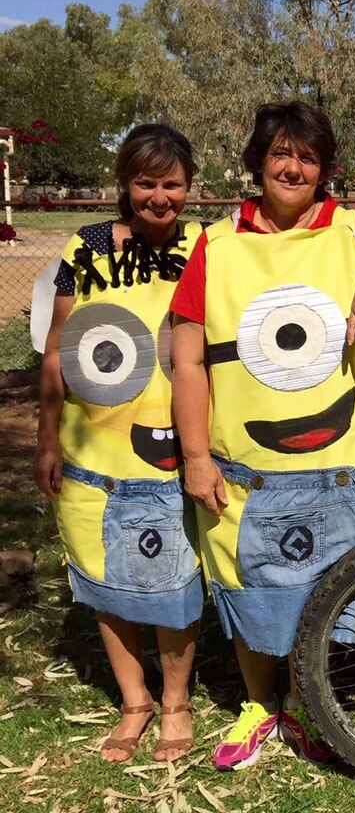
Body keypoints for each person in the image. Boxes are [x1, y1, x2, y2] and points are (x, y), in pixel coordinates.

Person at [170, 100, 355, 771]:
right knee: (248, 583)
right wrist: (193, 457)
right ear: (257, 162)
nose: (293, 166)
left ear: (323, 169)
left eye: (307, 157)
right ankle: (256, 704)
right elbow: (187, 357)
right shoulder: (216, 246)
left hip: (335, 464)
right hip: (241, 464)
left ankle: (305, 701)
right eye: (281, 153)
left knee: (325, 590)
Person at [34, 124, 203, 763]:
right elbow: (57, 350)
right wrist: (49, 438)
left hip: (173, 444)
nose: (159, 197)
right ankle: (135, 701)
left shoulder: (207, 246)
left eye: (172, 184)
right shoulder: (89, 245)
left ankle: (178, 702)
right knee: (105, 578)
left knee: (176, 580)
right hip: (93, 451)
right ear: (125, 185)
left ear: (189, 187)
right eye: (145, 183)